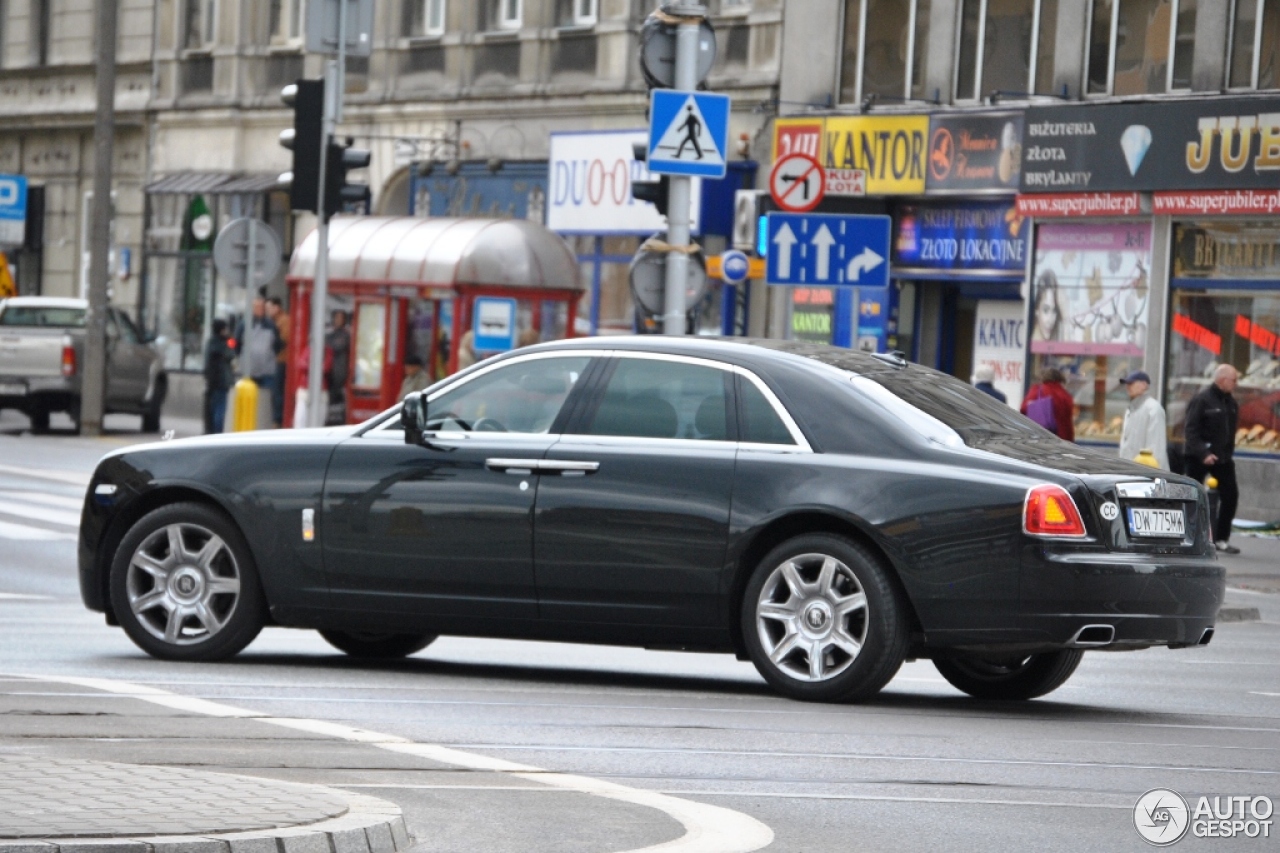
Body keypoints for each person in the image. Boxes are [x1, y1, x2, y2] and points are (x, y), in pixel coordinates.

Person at [1184, 364, 1241, 554]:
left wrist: (1227, 452)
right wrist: (1203, 453)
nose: (1236, 383)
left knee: (1231, 496)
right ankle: (1189, 535)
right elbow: (1191, 430)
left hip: (1222, 458)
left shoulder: (1231, 402)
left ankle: (1221, 539)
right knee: (1193, 496)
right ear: (1222, 379)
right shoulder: (1202, 399)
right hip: (1199, 457)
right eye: (1234, 380)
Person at [234, 296, 281, 406]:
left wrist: (270, 357)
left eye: (261, 306)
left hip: (266, 371)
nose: (259, 309)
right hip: (248, 370)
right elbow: (236, 343)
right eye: (256, 306)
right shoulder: (243, 324)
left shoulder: (271, 325)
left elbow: (277, 344)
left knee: (265, 401)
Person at [1117, 370, 1168, 469]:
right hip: (1130, 471)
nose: (1128, 386)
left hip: (1146, 474)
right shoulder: (1130, 409)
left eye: (1131, 383)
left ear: (1144, 385)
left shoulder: (1153, 409)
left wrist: (1152, 474)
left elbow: (1156, 447)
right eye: (1127, 384)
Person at [1021, 366, 1075, 441]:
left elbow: (1023, 409)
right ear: (1060, 379)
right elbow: (1068, 422)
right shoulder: (1065, 395)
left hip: (1039, 437)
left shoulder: (1037, 391)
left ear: (1043, 378)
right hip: (1061, 439)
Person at [202, 319, 234, 434]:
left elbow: (206, 362)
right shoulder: (224, 343)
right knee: (220, 409)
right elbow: (232, 353)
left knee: (212, 408)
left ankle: (210, 430)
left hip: (211, 381)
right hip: (222, 381)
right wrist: (230, 339)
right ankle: (217, 432)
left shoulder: (210, 343)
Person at [265, 297, 290, 428]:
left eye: (269, 308)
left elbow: (284, 339)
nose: (268, 311)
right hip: (277, 360)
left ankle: (278, 420)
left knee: (278, 392)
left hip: (283, 360)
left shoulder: (284, 321)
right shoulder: (275, 322)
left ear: (277, 307)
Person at [325, 309, 351, 424]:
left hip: (340, 373)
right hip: (328, 372)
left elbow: (338, 345)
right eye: (337, 317)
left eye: (341, 318)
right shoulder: (330, 334)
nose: (338, 320)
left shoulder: (346, 335)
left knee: (339, 399)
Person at [1031, 270, 1061, 343]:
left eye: (1054, 311)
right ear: (1037, 310)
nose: (1050, 321)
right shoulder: (1030, 344)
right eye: (1046, 310)